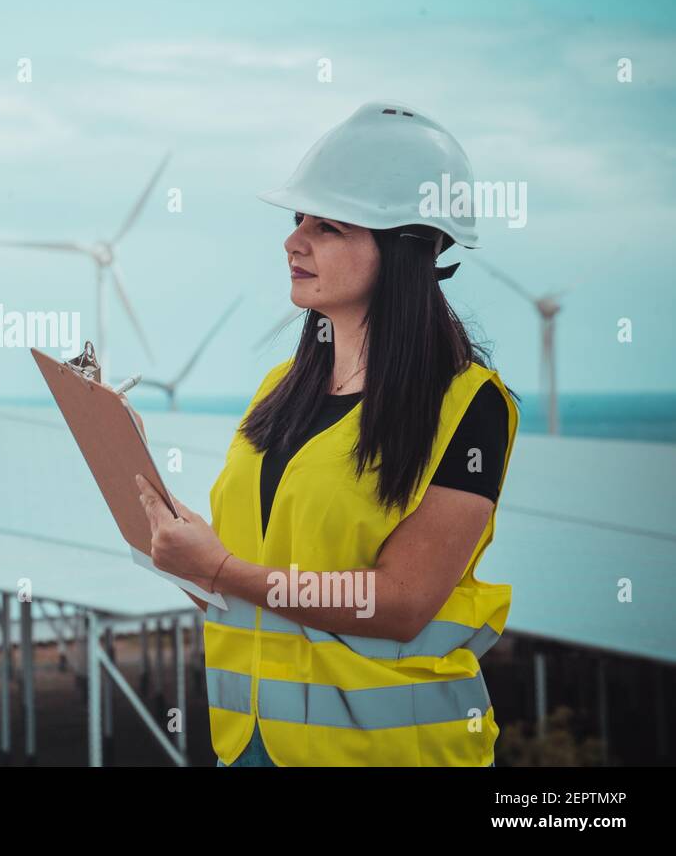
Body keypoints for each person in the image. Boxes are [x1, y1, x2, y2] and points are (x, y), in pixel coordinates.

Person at [129, 100, 520, 766]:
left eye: (328, 226)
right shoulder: (278, 391)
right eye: (297, 220)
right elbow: (250, 576)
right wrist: (177, 540)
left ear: (405, 246)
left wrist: (220, 568)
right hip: (247, 745)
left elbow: (402, 603)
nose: (294, 242)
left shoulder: (469, 407)